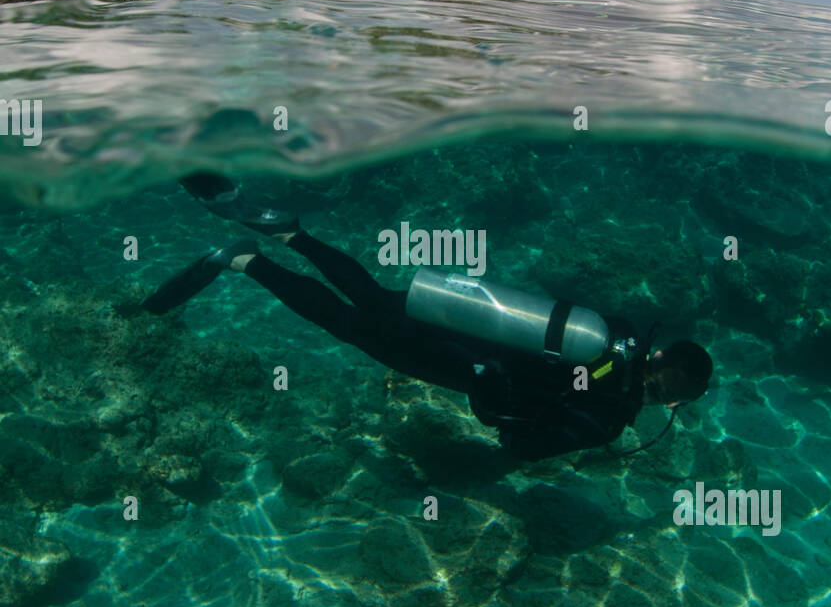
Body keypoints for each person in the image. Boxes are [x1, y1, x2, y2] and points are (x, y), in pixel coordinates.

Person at [138, 173, 713, 461]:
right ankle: (243, 261)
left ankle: (293, 234)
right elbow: (520, 444)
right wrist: (491, 401)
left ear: (662, 355)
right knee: (345, 323)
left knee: (371, 295)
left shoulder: (621, 334)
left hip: (461, 315)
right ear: (673, 397)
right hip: (453, 356)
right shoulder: (611, 415)